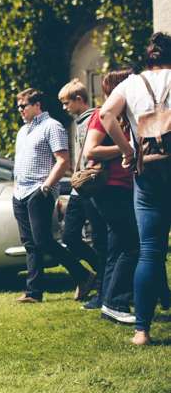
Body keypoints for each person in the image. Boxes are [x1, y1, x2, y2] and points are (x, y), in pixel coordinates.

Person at [97, 32, 171, 345]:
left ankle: (142, 331)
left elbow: (105, 115)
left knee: (150, 252)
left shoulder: (130, 85)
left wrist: (128, 151)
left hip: (148, 172)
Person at [12, 88, 96, 303]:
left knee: (44, 241)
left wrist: (47, 187)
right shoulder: (23, 131)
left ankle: (84, 276)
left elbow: (63, 161)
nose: (20, 110)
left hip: (39, 190)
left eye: (23, 106)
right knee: (30, 243)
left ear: (37, 105)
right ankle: (34, 292)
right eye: (18, 106)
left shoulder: (52, 127)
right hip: (20, 192)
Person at [83, 69, 138, 325]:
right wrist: (127, 149)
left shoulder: (125, 116)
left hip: (123, 188)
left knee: (117, 248)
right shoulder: (100, 115)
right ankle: (116, 302)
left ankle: (110, 302)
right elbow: (90, 150)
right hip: (109, 189)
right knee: (131, 246)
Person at [57, 80, 106, 306]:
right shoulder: (78, 122)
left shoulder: (95, 119)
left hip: (92, 187)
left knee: (99, 237)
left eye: (66, 103)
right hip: (79, 187)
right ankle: (101, 275)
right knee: (70, 237)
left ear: (79, 100)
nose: (64, 107)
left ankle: (105, 287)